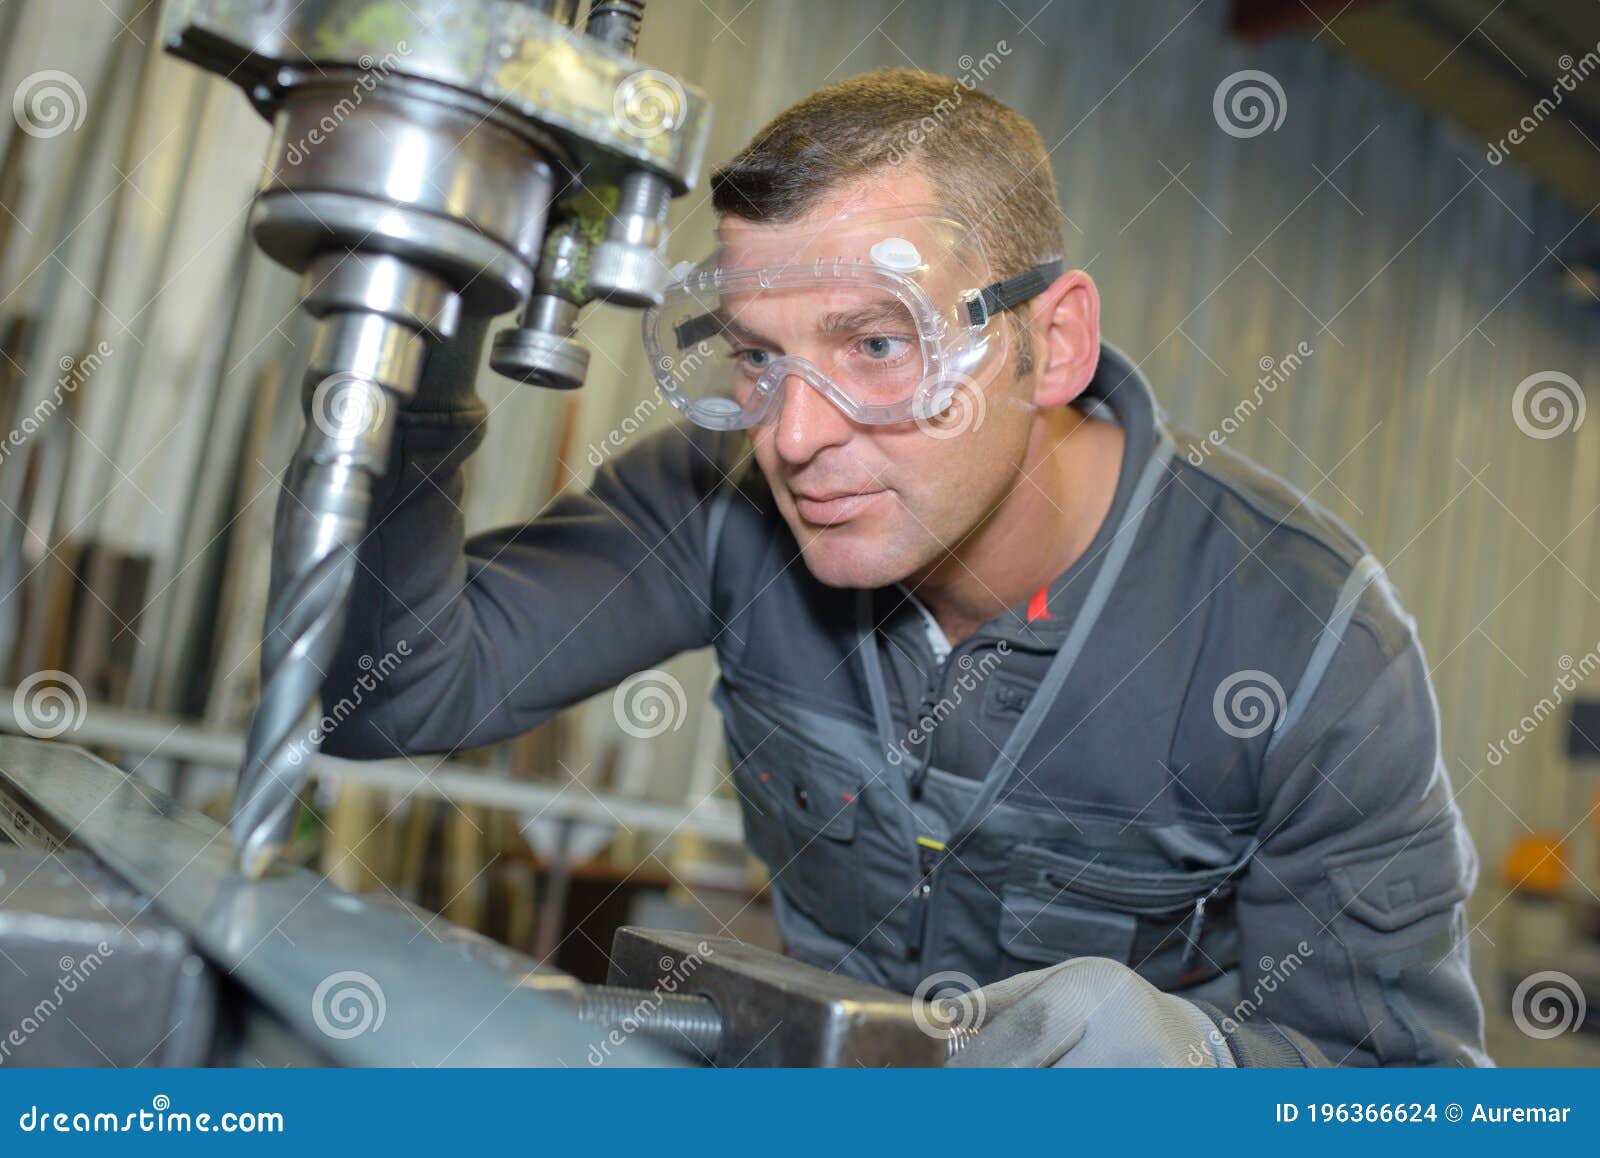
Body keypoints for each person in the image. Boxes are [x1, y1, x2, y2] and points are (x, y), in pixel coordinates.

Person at [320, 69, 1487, 1067]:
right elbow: (387, 697)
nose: (790, 436)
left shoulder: (1302, 636)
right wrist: (419, 347)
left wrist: (1203, 1073)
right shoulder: (721, 506)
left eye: (877, 345)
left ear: (1054, 343)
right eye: (758, 359)